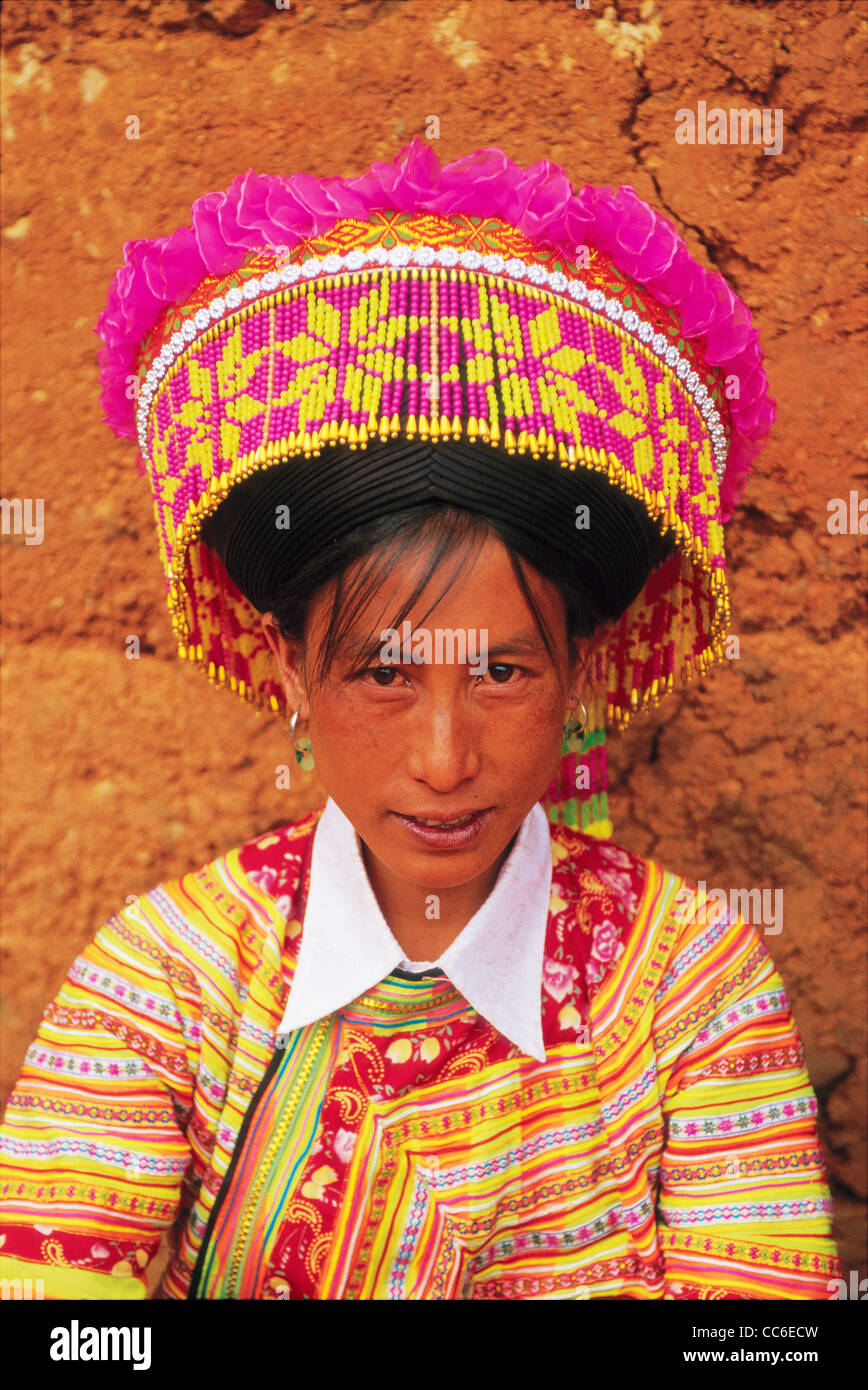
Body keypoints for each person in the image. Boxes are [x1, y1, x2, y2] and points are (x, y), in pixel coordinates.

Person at [0, 140, 841, 1300]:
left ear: (582, 670)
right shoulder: (166, 983)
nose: (444, 761)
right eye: (383, 676)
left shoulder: (692, 988)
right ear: (287, 668)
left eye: (500, 674)